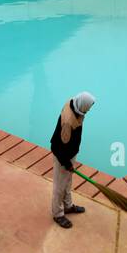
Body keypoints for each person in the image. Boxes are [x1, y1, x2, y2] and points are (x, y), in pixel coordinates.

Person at [49, 91, 96, 228]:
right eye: (88, 107)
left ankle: (68, 206)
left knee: (67, 182)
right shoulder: (68, 123)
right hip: (62, 156)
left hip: (70, 152)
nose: (89, 110)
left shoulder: (75, 104)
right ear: (82, 105)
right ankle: (58, 214)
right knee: (59, 186)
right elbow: (58, 146)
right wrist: (66, 162)